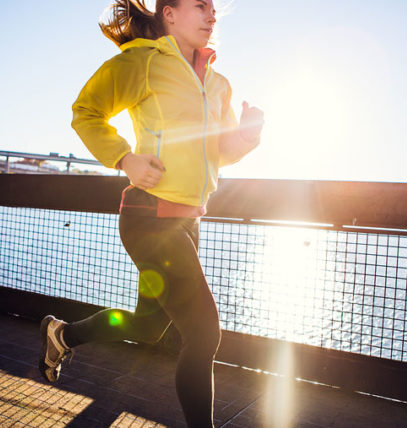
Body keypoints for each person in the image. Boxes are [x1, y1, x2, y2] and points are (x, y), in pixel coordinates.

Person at [38, 0, 264, 426]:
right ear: (170, 14)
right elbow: (85, 113)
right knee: (203, 332)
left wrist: (246, 138)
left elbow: (219, 152)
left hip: (187, 219)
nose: (211, 15)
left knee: (147, 326)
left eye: (214, 8)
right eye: (200, 5)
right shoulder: (142, 62)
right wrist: (125, 159)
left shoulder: (219, 84)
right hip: (148, 217)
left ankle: (62, 334)